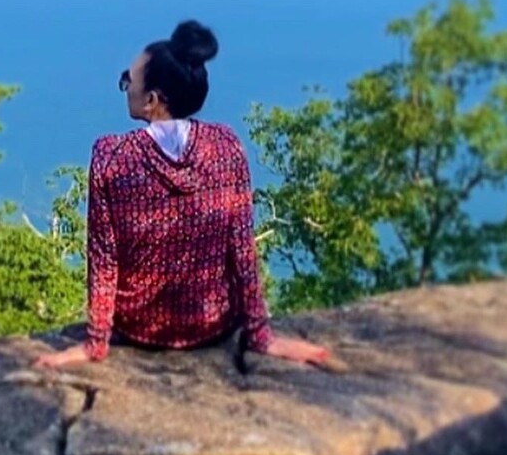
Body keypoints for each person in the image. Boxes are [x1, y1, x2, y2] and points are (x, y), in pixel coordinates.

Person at [34, 20, 334, 370]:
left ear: (152, 100)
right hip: (213, 325)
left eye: (128, 79)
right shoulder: (226, 146)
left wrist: (95, 345)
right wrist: (261, 336)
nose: (125, 85)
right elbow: (242, 250)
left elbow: (104, 261)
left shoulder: (111, 157)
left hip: (140, 329)